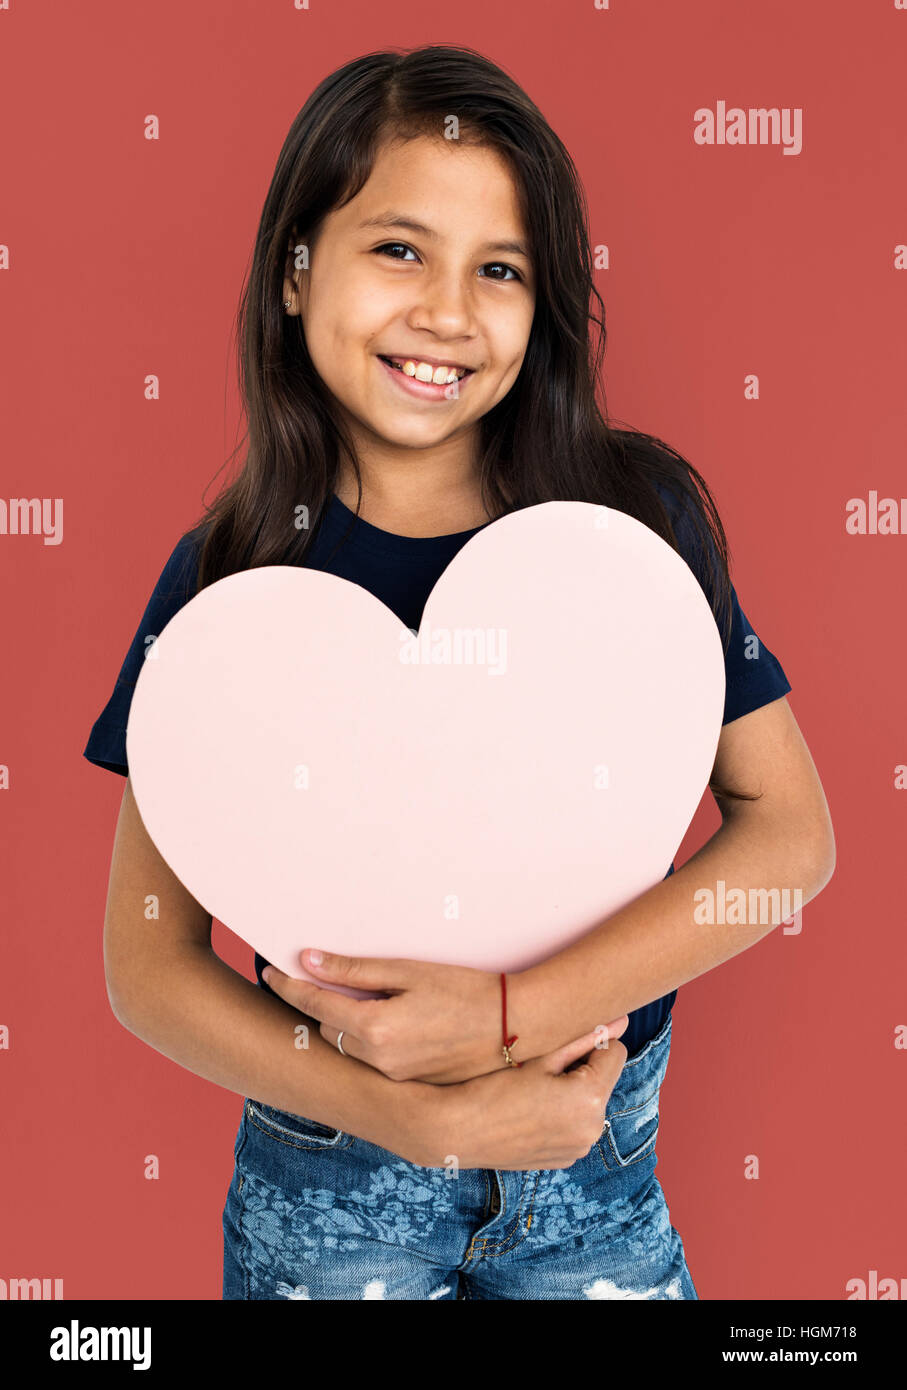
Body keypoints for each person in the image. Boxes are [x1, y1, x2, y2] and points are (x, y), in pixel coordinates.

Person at [83, 45, 835, 1301]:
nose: (446, 310)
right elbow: (147, 964)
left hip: (592, 1168)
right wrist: (410, 1116)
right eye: (397, 249)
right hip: (331, 1187)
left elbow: (789, 840)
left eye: (499, 269)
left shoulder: (631, 532)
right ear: (293, 268)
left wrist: (508, 1018)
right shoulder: (229, 584)